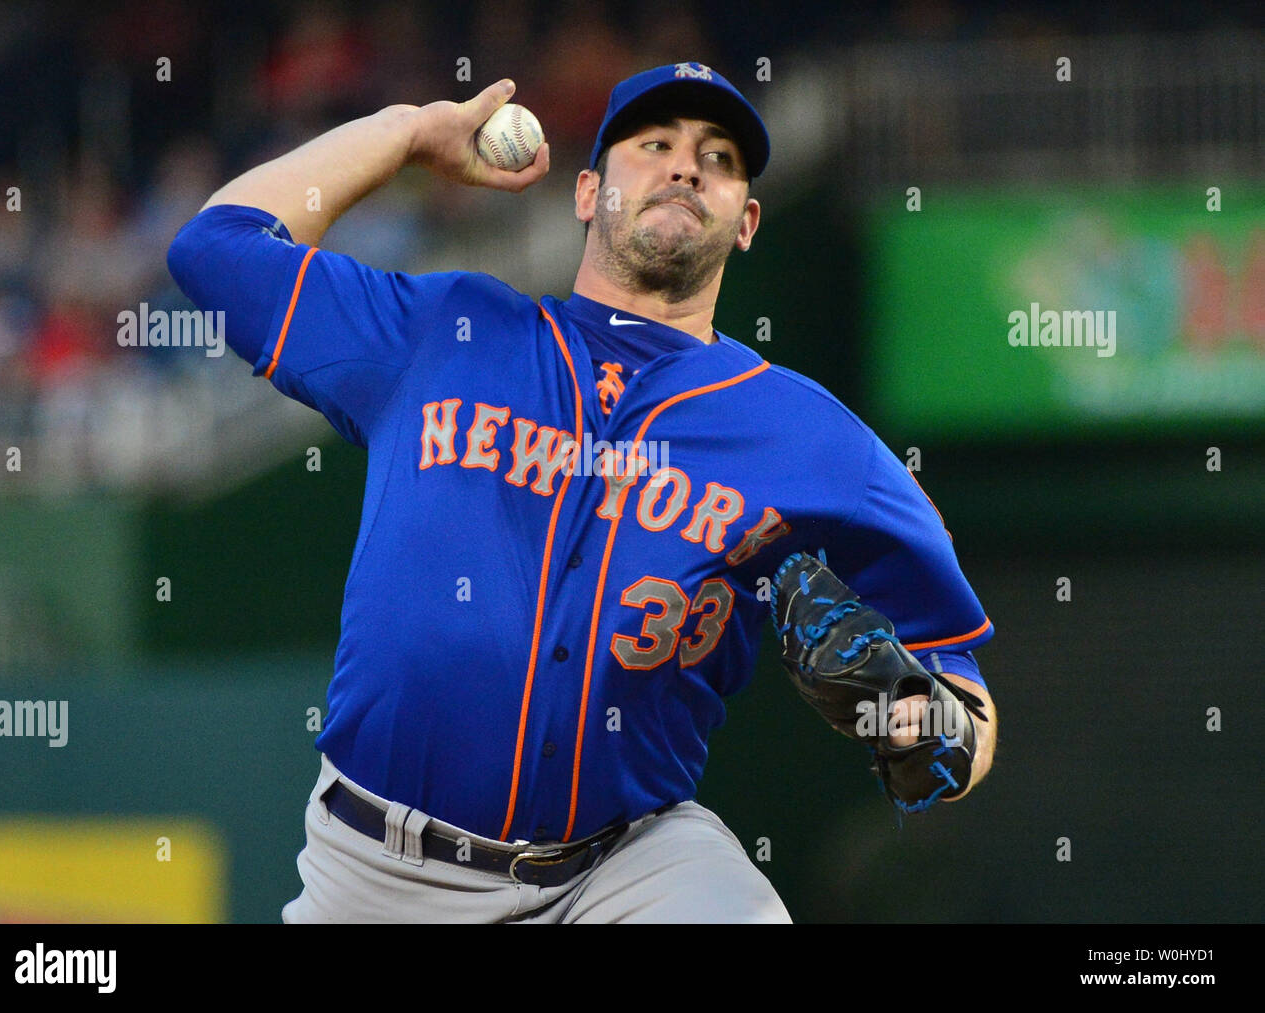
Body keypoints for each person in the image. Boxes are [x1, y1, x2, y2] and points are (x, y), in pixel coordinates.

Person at [167, 61, 998, 924]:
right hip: (380, 870)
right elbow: (217, 248)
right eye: (655, 145)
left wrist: (922, 727)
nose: (684, 166)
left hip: (626, 867)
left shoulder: (811, 439)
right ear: (587, 190)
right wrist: (407, 133)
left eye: (716, 158)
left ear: (748, 221)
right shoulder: (440, 334)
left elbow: (961, 688)